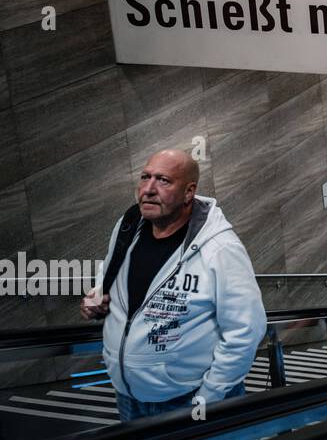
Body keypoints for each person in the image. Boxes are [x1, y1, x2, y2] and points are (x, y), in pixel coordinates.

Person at [79, 149, 266, 422]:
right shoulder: (128, 226)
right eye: (145, 177)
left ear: (189, 192)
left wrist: (209, 397)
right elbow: (108, 272)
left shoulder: (220, 248)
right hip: (128, 397)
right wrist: (96, 296)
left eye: (163, 180)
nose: (149, 189)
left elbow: (246, 330)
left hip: (191, 401)